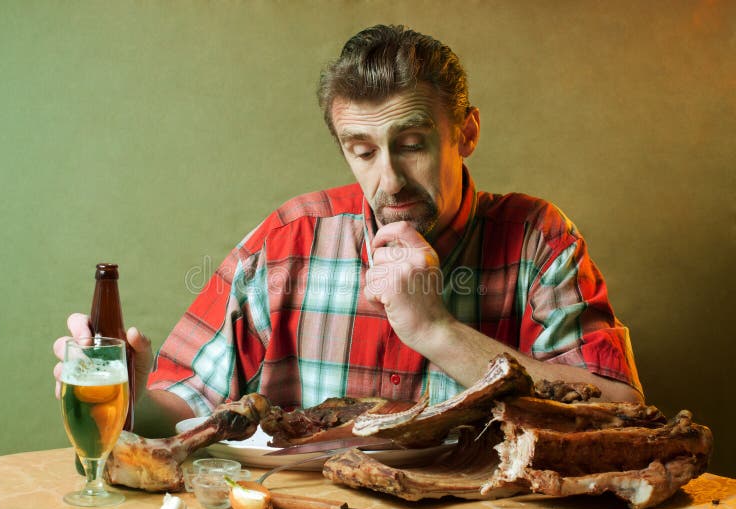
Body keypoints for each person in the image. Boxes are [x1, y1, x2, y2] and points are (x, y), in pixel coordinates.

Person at [53, 25, 643, 435]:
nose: (390, 180)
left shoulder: (539, 238)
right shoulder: (288, 240)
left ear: (466, 133)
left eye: (411, 145)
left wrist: (436, 330)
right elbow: (185, 406)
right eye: (362, 151)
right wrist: (127, 400)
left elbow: (622, 415)